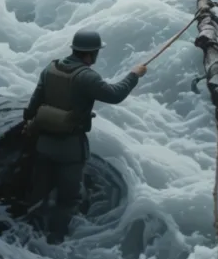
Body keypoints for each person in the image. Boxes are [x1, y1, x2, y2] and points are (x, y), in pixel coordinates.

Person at [23, 28, 147, 243]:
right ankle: (54, 241)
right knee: (69, 198)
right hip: (70, 148)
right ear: (92, 53)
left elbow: (33, 105)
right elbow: (115, 94)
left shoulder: (50, 68)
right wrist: (134, 75)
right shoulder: (87, 77)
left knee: (38, 192)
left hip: (43, 144)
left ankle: (28, 233)